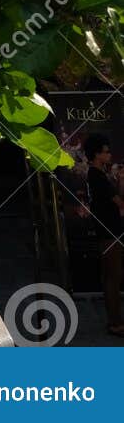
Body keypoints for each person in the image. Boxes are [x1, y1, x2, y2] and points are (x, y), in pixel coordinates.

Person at [84, 133, 124, 338]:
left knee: (113, 277)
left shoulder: (99, 174)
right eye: (106, 152)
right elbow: (119, 202)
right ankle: (115, 323)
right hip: (109, 233)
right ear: (97, 154)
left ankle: (115, 321)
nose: (109, 155)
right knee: (113, 278)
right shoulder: (97, 176)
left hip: (110, 231)